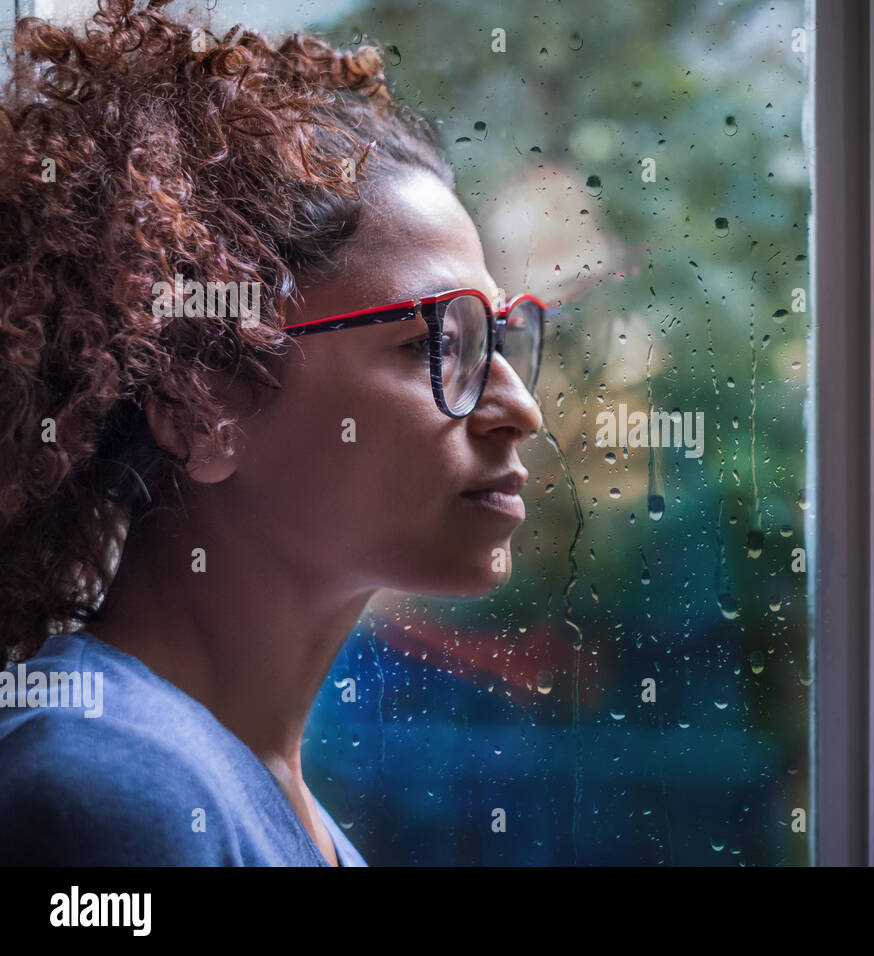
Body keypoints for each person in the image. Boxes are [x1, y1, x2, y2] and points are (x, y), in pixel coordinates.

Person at [0, 0, 544, 865]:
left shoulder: (277, 812)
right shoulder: (108, 789)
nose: (520, 408)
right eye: (436, 345)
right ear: (198, 407)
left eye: (500, 339)